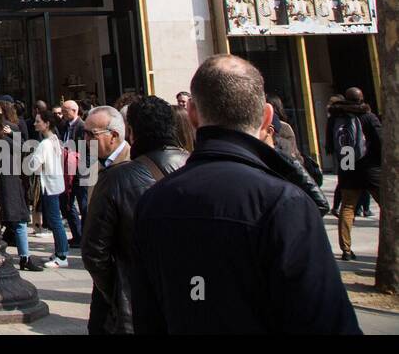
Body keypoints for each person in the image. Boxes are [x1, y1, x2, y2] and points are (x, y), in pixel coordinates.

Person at [131, 54, 360, 334]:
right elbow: (326, 321)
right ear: (266, 116)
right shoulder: (285, 203)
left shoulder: (153, 201)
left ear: (191, 113)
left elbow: (146, 314)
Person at [81, 97, 187, 334]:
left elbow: (94, 252)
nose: (85, 140)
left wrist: (118, 290)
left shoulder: (118, 178)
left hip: (133, 299)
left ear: (128, 133)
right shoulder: (195, 165)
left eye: (91, 134)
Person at [326, 86, 383, 261]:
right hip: (369, 165)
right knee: (386, 204)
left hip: (347, 162)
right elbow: (380, 140)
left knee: (348, 207)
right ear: (361, 99)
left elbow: (330, 144)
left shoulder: (335, 117)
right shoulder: (368, 116)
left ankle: (346, 250)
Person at [0, 113, 42, 271]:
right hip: (10, 185)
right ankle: (24, 257)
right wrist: (14, 133)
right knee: (20, 223)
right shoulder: (6, 141)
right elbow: (25, 150)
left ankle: (0, 254)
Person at [31, 110, 69, 268]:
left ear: (46, 124)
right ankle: (60, 251)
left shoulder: (45, 144)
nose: (35, 123)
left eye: (38, 121)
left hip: (49, 185)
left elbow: (33, 165)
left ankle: (62, 255)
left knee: (55, 221)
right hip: (56, 183)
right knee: (55, 220)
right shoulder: (54, 140)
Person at [58, 100, 85, 248]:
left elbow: (86, 149)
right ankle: (77, 235)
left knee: (83, 204)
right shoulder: (64, 126)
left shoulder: (82, 126)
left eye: (65, 111)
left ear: (74, 111)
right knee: (67, 204)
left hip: (80, 171)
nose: (63, 114)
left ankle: (83, 237)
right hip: (67, 170)